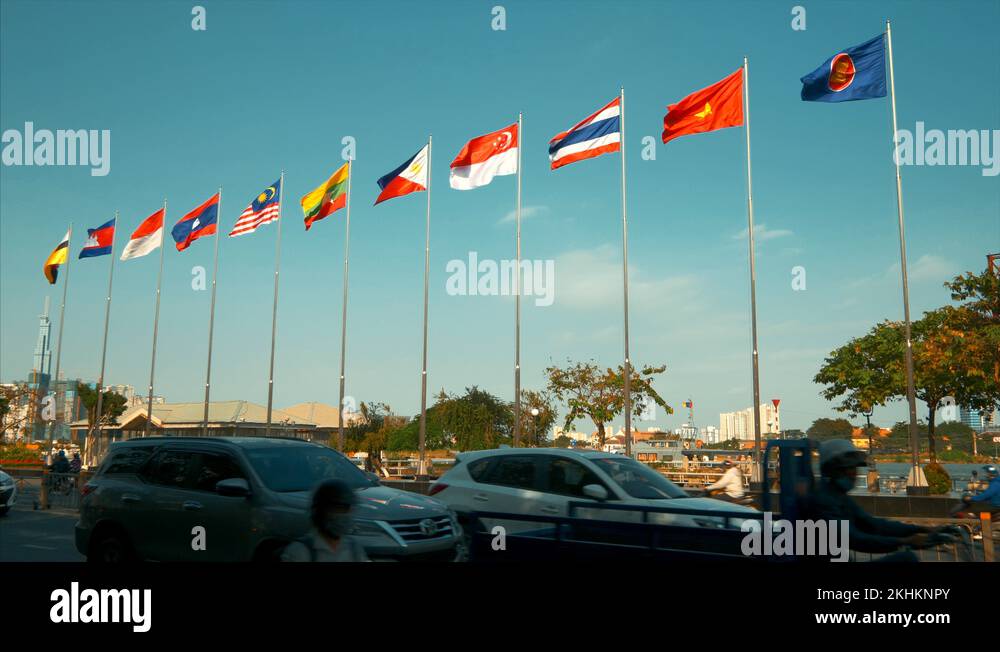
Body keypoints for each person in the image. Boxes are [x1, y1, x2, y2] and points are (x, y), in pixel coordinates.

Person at [804, 439, 957, 562]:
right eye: (848, 469)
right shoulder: (823, 500)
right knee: (906, 559)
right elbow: (855, 539)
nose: (854, 474)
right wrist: (905, 541)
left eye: (855, 468)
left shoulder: (839, 496)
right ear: (833, 469)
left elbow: (874, 524)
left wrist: (922, 530)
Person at [281, 480, 369, 562]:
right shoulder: (300, 552)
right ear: (322, 511)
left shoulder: (354, 549)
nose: (346, 515)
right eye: (340, 509)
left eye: (349, 509)